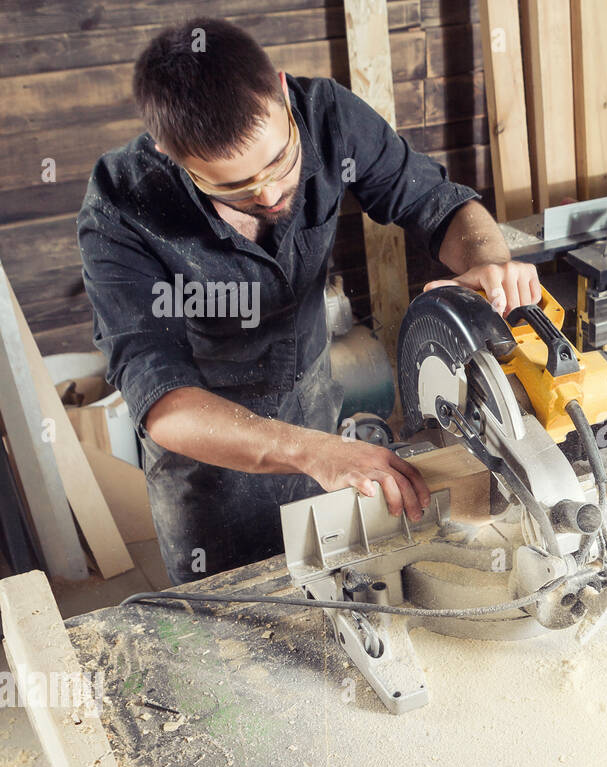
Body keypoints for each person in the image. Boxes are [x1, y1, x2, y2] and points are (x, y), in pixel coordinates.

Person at [77, 17, 539, 584]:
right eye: (234, 187)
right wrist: (308, 451)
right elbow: (162, 401)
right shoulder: (121, 208)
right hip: (210, 451)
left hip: (310, 393)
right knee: (238, 609)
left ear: (280, 89)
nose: (268, 193)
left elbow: (435, 203)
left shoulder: (326, 115)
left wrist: (487, 256)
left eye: (278, 162)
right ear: (169, 152)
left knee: (335, 578)